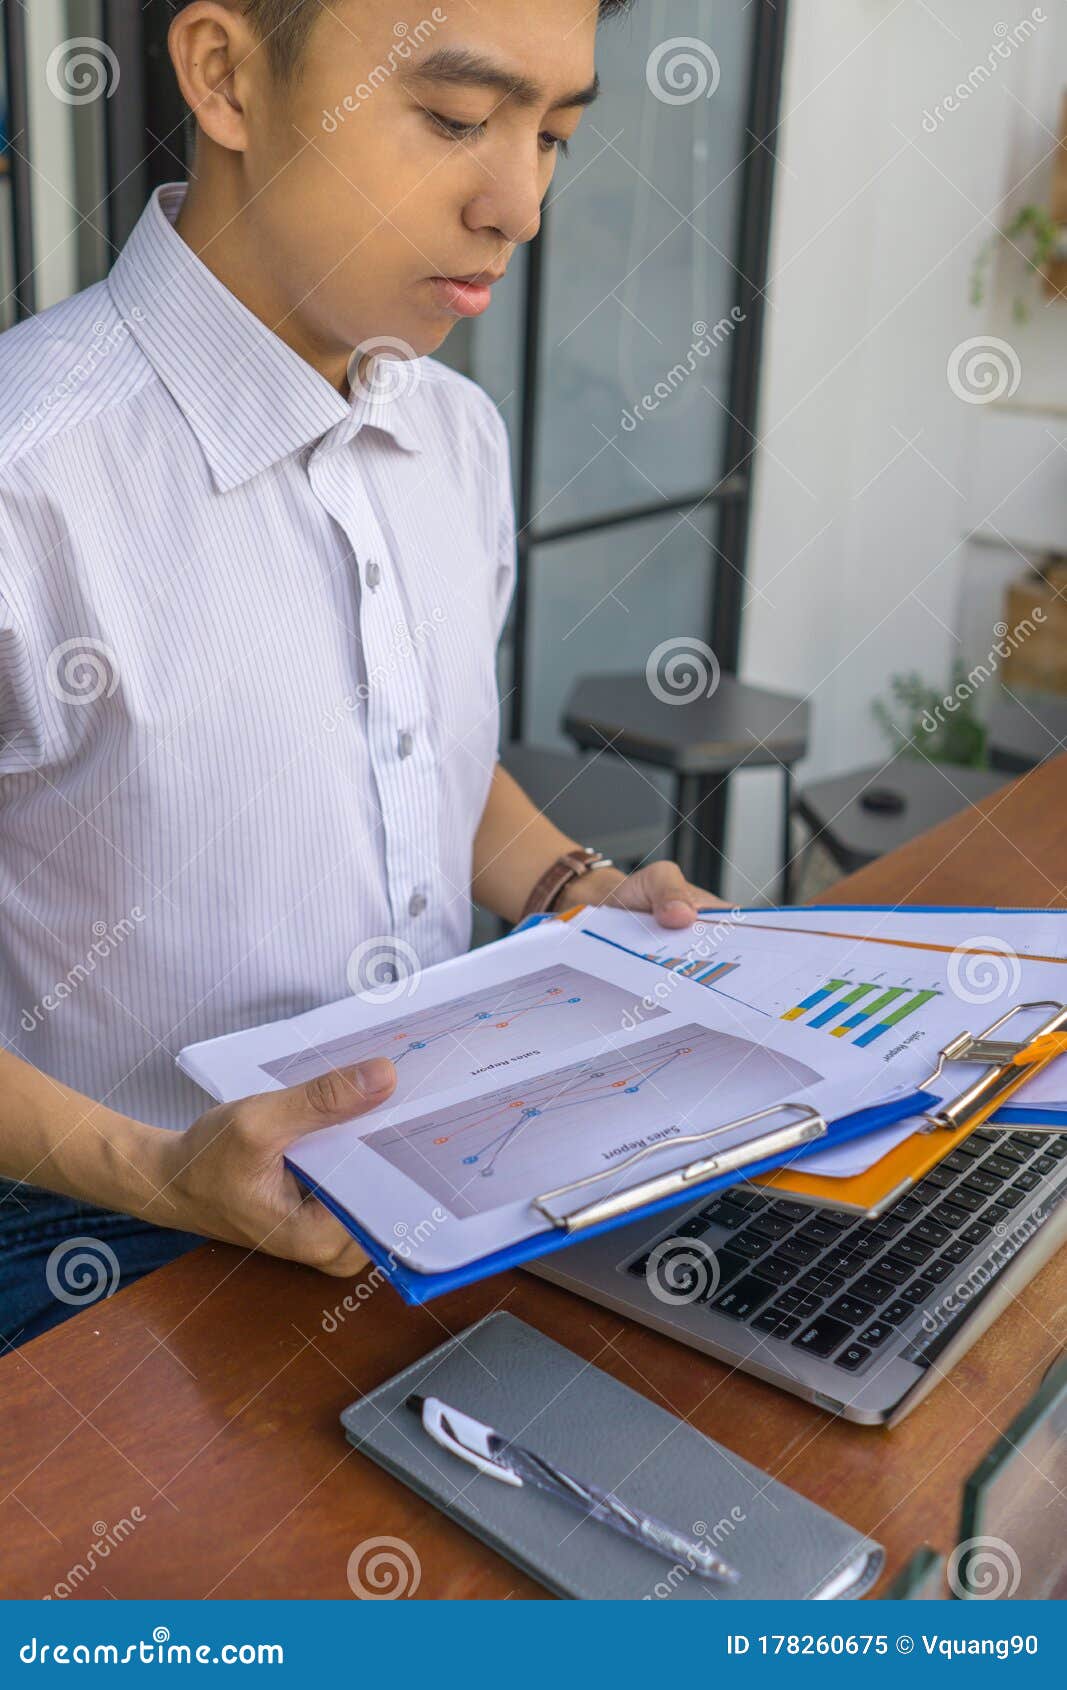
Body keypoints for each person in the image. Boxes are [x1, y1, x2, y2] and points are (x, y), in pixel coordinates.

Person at [0, 0, 718, 1347]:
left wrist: (576, 889)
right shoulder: (24, 479)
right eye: (455, 120)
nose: (519, 205)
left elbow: (414, 745)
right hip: (96, 1239)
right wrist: (160, 1172)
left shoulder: (457, 435)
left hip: (444, 1189)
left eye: (553, 135)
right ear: (225, 76)